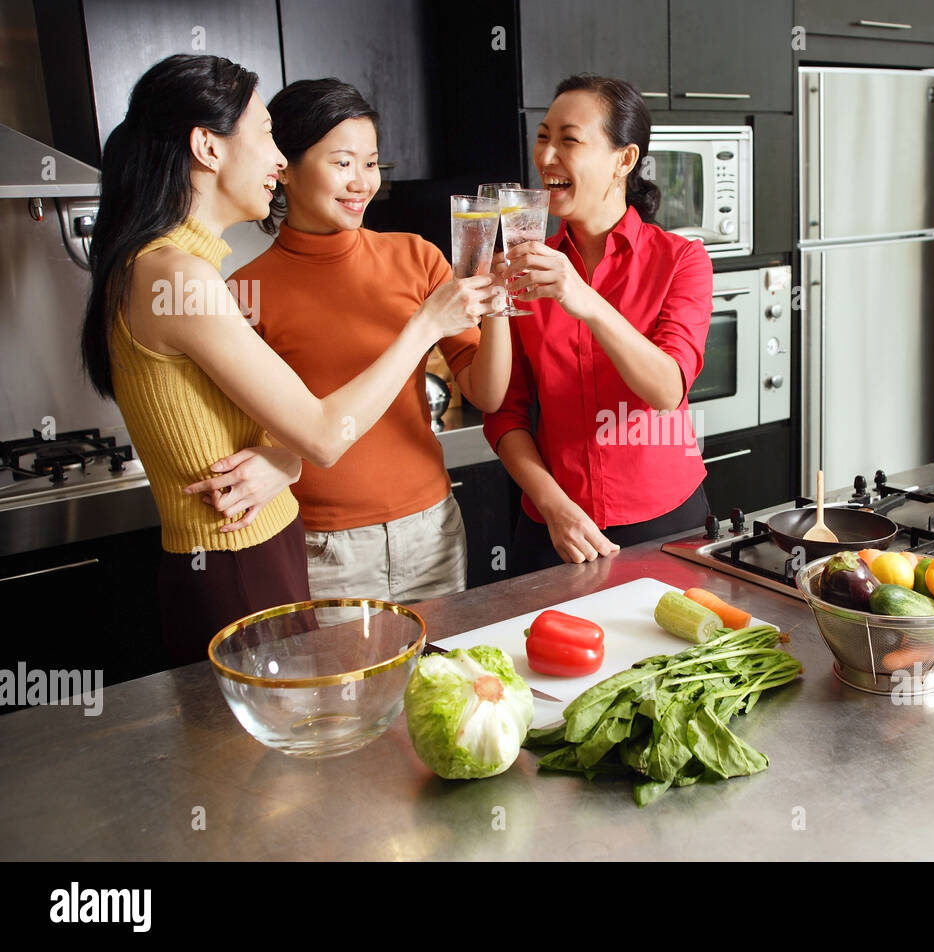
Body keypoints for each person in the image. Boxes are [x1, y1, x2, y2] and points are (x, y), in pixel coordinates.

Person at [81, 54, 496, 663]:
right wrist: (426, 324)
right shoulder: (179, 275)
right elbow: (324, 434)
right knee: (284, 747)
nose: (277, 158)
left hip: (251, 548)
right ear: (208, 147)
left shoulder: (165, 268)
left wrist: (285, 462)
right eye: (265, 135)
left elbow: (265, 429)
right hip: (239, 555)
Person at [213, 78, 511, 602]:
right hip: (322, 549)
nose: (362, 182)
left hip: (430, 530)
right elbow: (250, 435)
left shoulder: (417, 257)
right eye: (342, 162)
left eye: (371, 163)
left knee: (439, 681)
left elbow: (486, 394)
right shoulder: (245, 291)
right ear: (285, 168)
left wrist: (500, 303)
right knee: (338, 686)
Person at [483, 75, 714, 572]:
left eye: (569, 140)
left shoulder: (681, 261)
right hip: (553, 527)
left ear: (623, 160)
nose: (546, 158)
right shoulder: (520, 267)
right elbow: (504, 413)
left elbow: (667, 389)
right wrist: (553, 505)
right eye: (543, 137)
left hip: (667, 524)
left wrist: (582, 298)